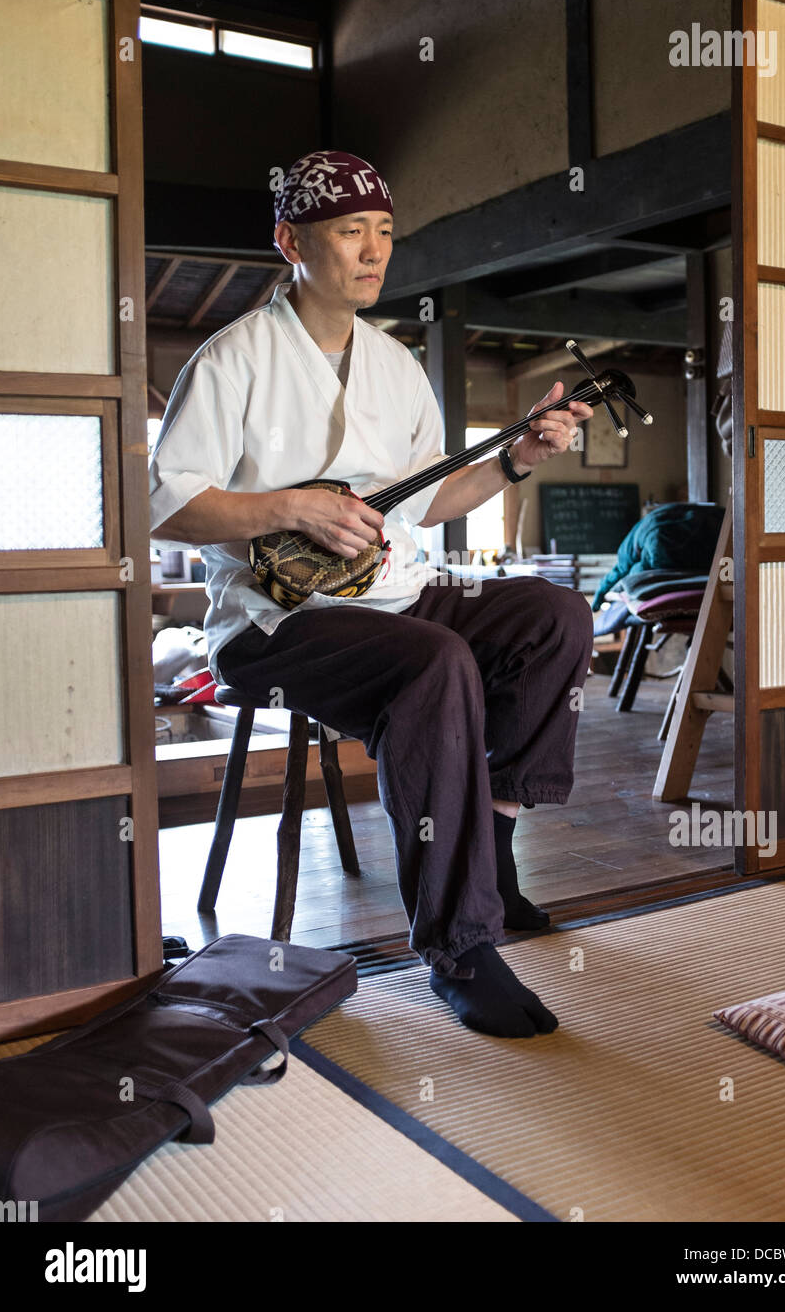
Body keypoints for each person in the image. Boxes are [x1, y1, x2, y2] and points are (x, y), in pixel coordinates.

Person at [149, 150, 594, 1039]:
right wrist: (285, 507)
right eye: (350, 231)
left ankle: (494, 853)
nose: (373, 250)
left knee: (553, 615)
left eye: (384, 231)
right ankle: (460, 945)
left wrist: (517, 460)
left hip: (395, 591)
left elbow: (433, 498)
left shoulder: (394, 364)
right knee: (435, 663)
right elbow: (166, 505)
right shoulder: (232, 358)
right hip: (277, 621)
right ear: (291, 241)